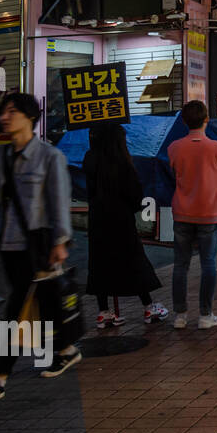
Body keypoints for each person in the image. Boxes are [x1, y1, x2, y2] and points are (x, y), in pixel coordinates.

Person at [0, 94, 81, 404]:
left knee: (15, 312)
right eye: (2, 112)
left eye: (12, 111)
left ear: (30, 117)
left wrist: (60, 242)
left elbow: (59, 201)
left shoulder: (49, 156)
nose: (5, 116)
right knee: (45, 302)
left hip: (38, 245)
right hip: (7, 244)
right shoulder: (0, 155)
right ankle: (67, 350)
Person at [84, 122, 168, 327]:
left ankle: (104, 311)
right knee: (133, 261)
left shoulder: (90, 158)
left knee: (100, 263)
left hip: (97, 218)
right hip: (121, 219)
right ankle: (149, 307)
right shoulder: (121, 162)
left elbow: (89, 189)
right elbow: (135, 195)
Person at [167, 100, 217, 329]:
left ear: (184, 120)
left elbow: (173, 171)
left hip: (182, 211)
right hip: (210, 212)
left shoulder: (174, 147)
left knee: (180, 265)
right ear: (206, 120)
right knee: (208, 263)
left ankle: (180, 315)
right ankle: (206, 314)